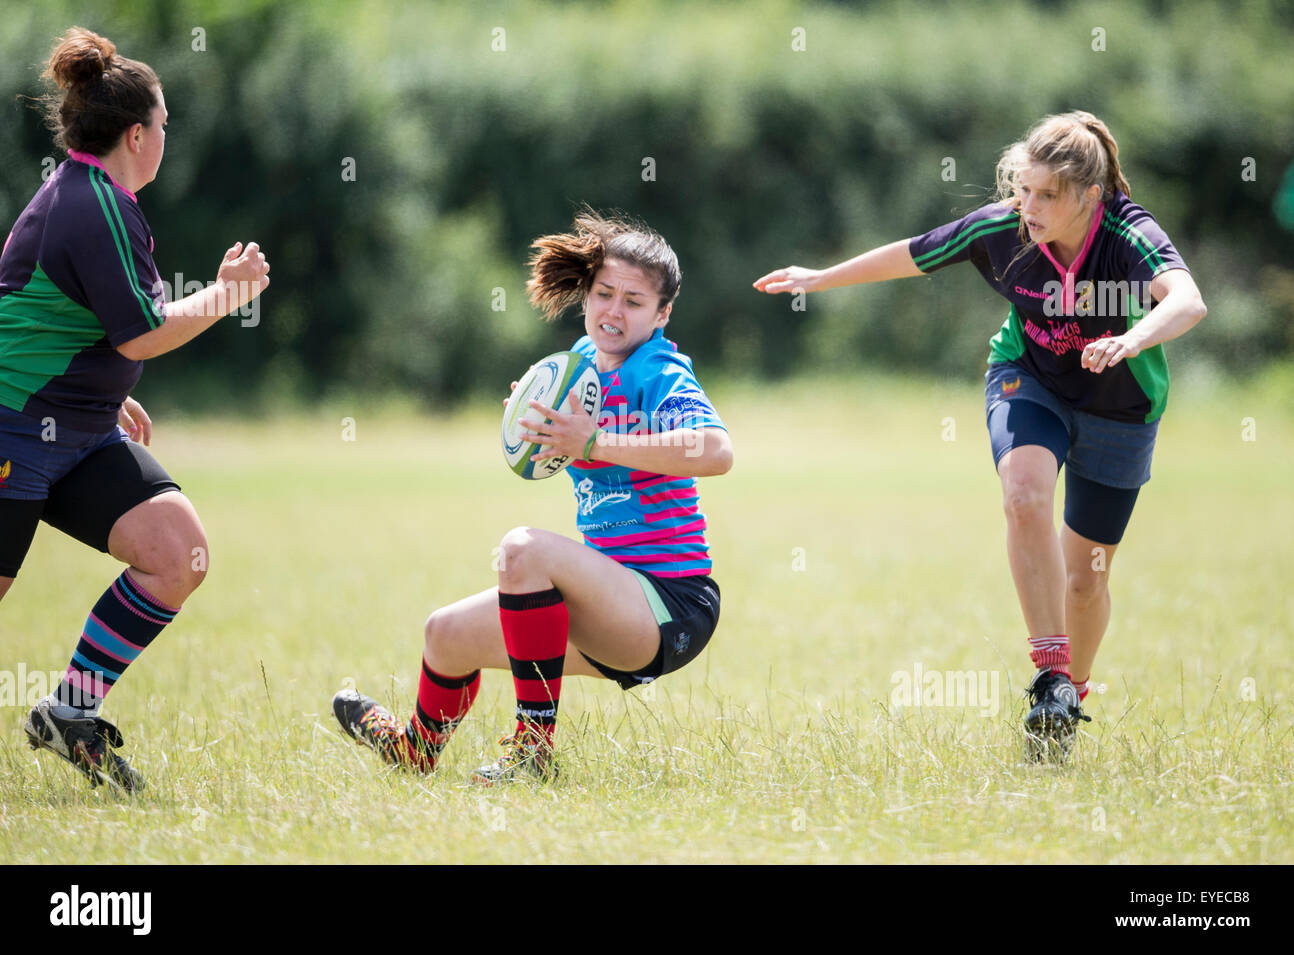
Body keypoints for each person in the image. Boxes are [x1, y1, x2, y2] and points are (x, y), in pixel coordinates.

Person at [754, 111, 1206, 759]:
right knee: (1023, 496)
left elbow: (1187, 301)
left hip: (1121, 405)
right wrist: (819, 279)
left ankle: (1069, 696)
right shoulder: (1001, 229)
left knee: (1086, 580)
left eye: (1047, 194)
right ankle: (1050, 669)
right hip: (1030, 378)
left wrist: (1132, 338)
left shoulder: (1129, 233)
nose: (1029, 205)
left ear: (1089, 196)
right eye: (1024, 189)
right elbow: (910, 254)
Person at [334, 210, 732, 784]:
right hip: (606, 602)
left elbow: (717, 451)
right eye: (604, 294)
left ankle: (531, 754)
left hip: (669, 606)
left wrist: (594, 441)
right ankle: (413, 750)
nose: (614, 312)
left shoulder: (659, 369)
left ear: (662, 313)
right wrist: (533, 426)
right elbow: (551, 457)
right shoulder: (578, 364)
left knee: (523, 550)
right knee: (444, 635)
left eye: (634, 302)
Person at [2, 27, 270, 791]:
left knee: (177, 552)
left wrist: (104, 394)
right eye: (164, 125)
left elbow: (77, 319)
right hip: (15, 421)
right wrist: (229, 294)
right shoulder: (92, 203)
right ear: (136, 134)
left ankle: (69, 713)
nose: (165, 138)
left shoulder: (98, 196)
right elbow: (145, 331)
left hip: (75, 427)